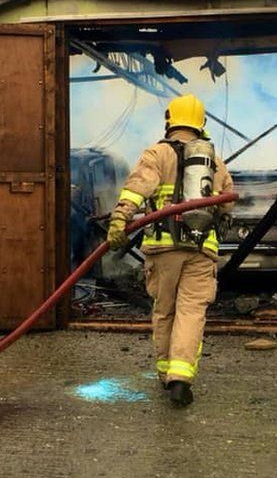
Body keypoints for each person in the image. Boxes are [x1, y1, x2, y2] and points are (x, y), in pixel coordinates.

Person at [106, 94, 234, 407]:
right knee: (191, 312)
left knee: (165, 312)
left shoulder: (157, 153)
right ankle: (181, 378)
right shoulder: (214, 162)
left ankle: (165, 374)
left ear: (170, 120)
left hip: (163, 251)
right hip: (201, 251)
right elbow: (228, 205)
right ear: (201, 123)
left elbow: (136, 188)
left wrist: (120, 218)